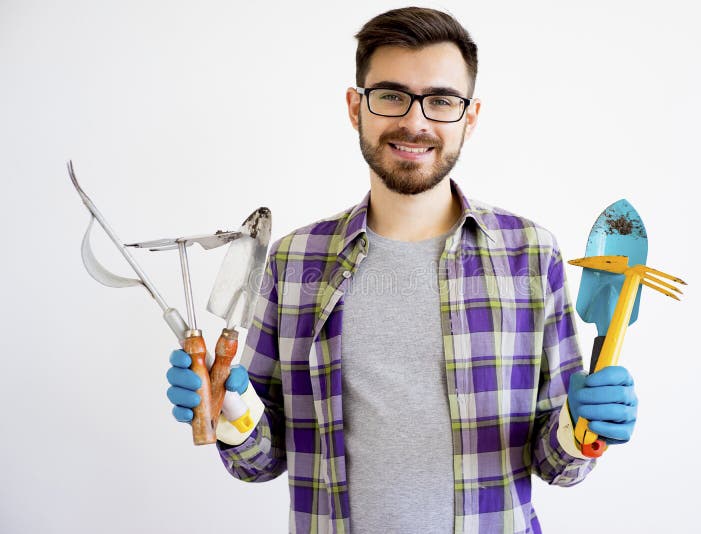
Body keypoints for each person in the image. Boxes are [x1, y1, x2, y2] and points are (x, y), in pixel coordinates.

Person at [166, 7, 638, 533]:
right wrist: (229, 410)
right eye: (391, 95)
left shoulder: (530, 255)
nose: (415, 122)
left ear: (470, 116)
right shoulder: (294, 262)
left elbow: (558, 466)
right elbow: (262, 461)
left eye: (441, 100)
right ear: (355, 107)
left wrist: (583, 426)